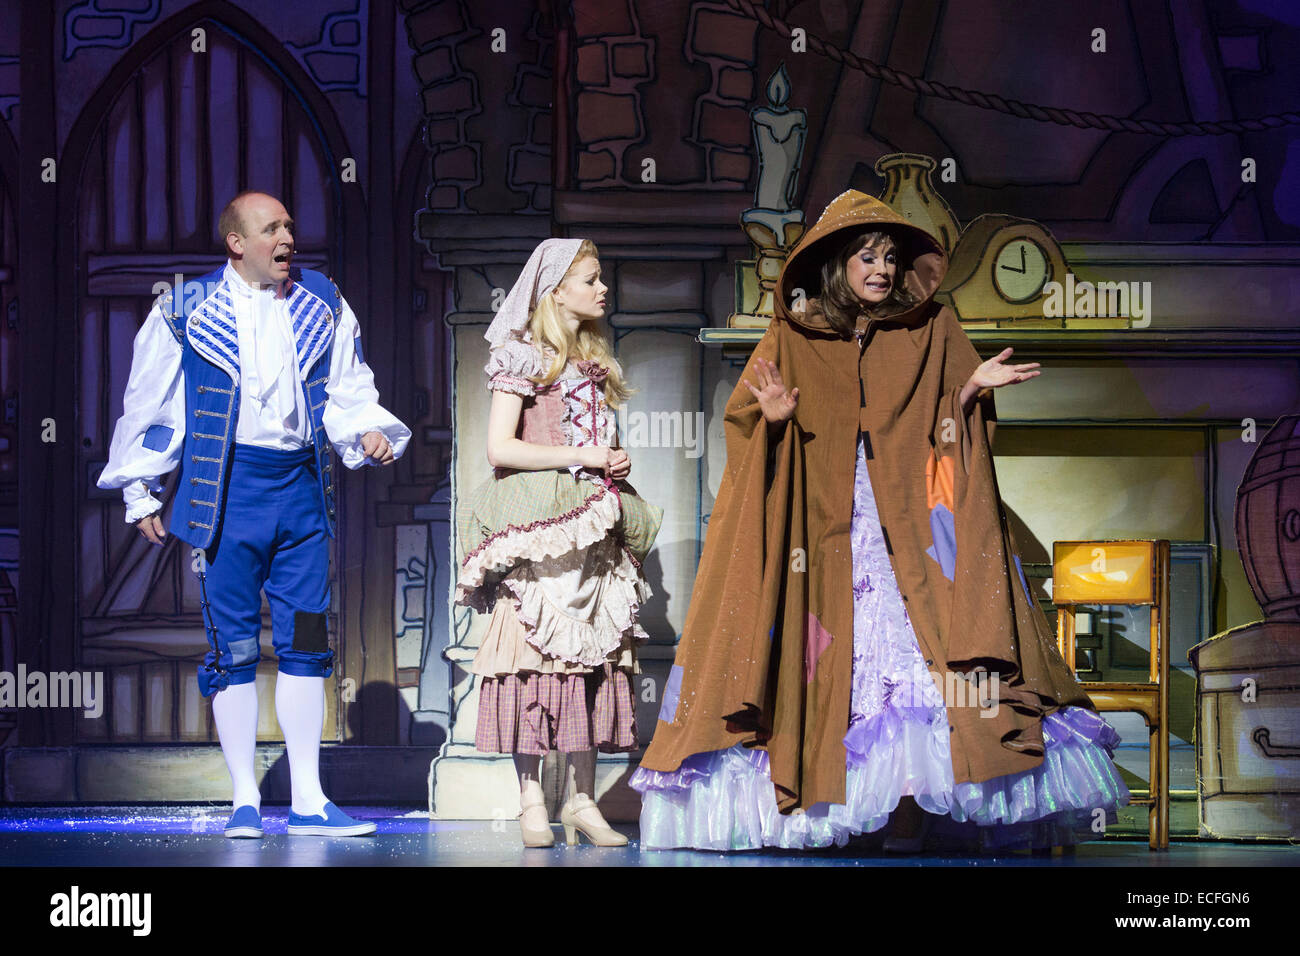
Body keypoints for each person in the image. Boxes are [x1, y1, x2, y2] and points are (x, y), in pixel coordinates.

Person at [631, 190, 1129, 851]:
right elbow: (748, 424)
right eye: (869, 256)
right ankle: (839, 808)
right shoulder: (796, 334)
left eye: (892, 257)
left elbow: (944, 440)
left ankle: (913, 811)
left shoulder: (931, 327)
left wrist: (970, 393)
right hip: (823, 529)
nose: (884, 269)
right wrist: (772, 420)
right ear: (841, 264)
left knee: (921, 653)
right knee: (833, 654)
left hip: (913, 527)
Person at [98, 191, 410, 838]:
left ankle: (308, 801)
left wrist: (369, 434)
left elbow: (349, 386)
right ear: (237, 243)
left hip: (298, 490)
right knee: (234, 648)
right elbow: (148, 402)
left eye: (290, 226)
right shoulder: (186, 310)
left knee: (304, 643)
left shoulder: (323, 303)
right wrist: (140, 489)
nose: (287, 237)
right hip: (226, 492)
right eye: (272, 228)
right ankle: (244, 798)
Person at [454, 238, 663, 847]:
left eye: (600, 280)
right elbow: (502, 449)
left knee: (592, 663)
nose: (602, 289)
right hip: (541, 527)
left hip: (590, 528)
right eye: (591, 279)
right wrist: (583, 454)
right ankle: (529, 801)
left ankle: (580, 799)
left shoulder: (594, 360)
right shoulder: (522, 357)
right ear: (556, 291)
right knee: (531, 662)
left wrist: (610, 461)